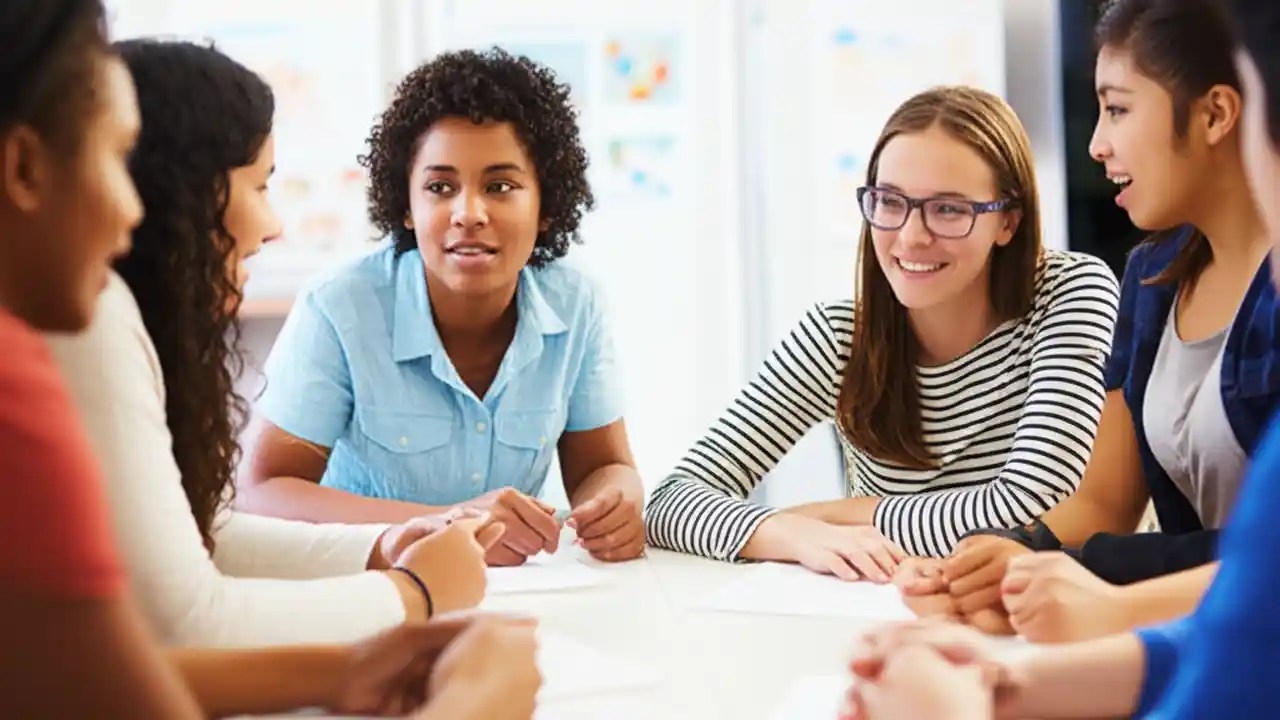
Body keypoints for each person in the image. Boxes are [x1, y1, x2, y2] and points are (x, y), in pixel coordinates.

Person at [0, 3, 540, 718]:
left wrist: (374, 567)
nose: (132, 208)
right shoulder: (69, 340)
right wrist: (422, 612)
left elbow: (182, 552)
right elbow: (179, 627)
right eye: (259, 184)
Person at [844, 0, 1280, 716]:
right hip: (1181, 645)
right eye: (891, 203)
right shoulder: (1151, 277)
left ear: (1217, 114)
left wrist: (1089, 584)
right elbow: (1103, 501)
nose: (1096, 146)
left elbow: (1259, 565)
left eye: (1117, 110)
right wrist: (998, 565)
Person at [644, 85, 1120, 583]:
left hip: (1033, 617)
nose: (911, 236)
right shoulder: (840, 334)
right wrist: (791, 534)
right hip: (882, 613)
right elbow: (670, 502)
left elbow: (1026, 503)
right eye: (890, 202)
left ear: (1008, 222)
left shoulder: (1070, 291)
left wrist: (832, 515)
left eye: (949, 210)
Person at [240, 48, 645, 567]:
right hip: (368, 590)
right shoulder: (340, 307)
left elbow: (603, 467)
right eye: (439, 187)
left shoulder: (577, 303)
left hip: (523, 595)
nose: (468, 213)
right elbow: (266, 491)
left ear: (546, 206)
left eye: (500, 186)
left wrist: (615, 502)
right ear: (406, 207)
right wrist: (448, 523)